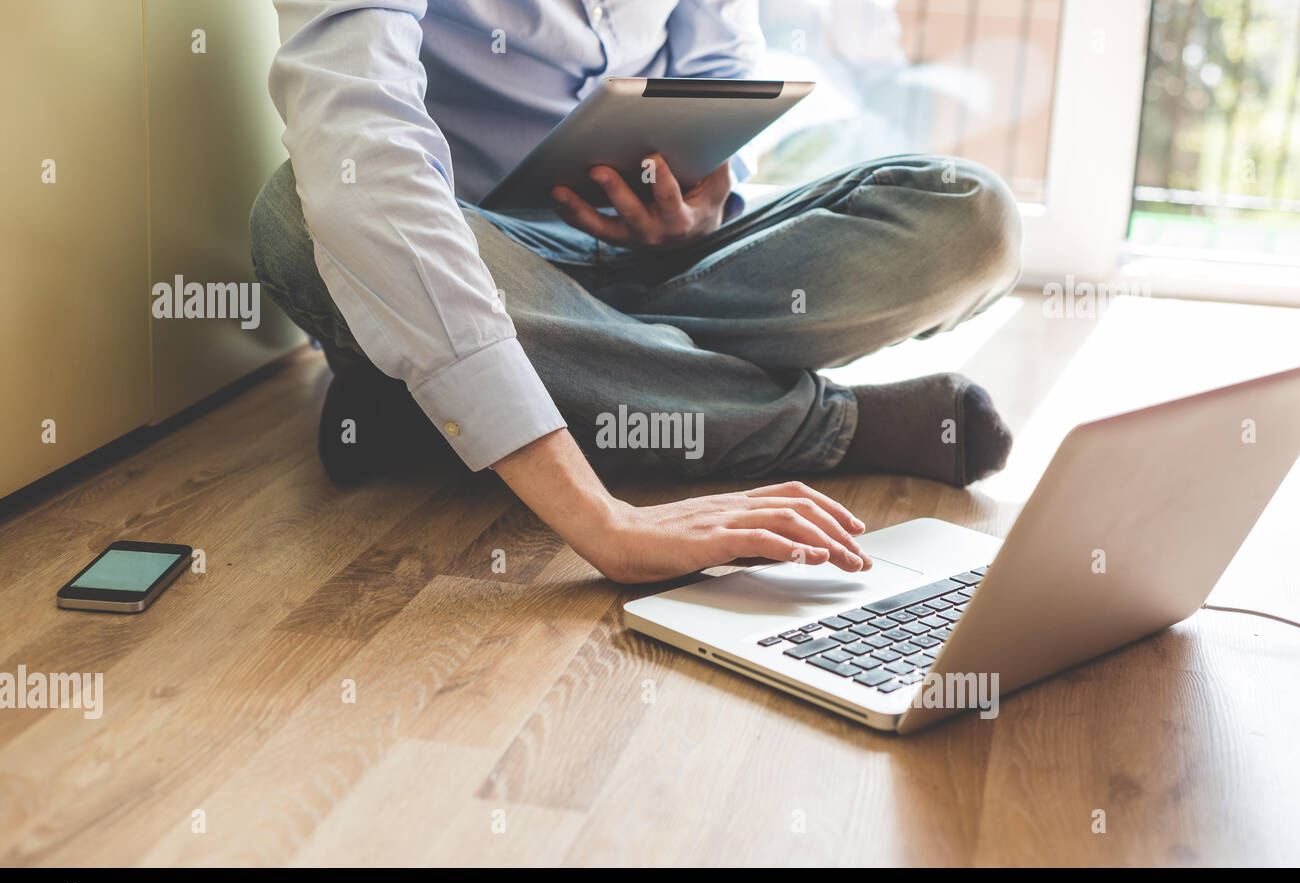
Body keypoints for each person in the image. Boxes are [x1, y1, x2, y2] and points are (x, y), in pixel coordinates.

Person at [249, 0, 1022, 585]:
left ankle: (446, 402)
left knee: (971, 217)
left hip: (658, 266)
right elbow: (360, 146)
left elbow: (722, 69)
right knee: (297, 218)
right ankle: (821, 425)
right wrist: (602, 520)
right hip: (487, 261)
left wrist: (702, 207)